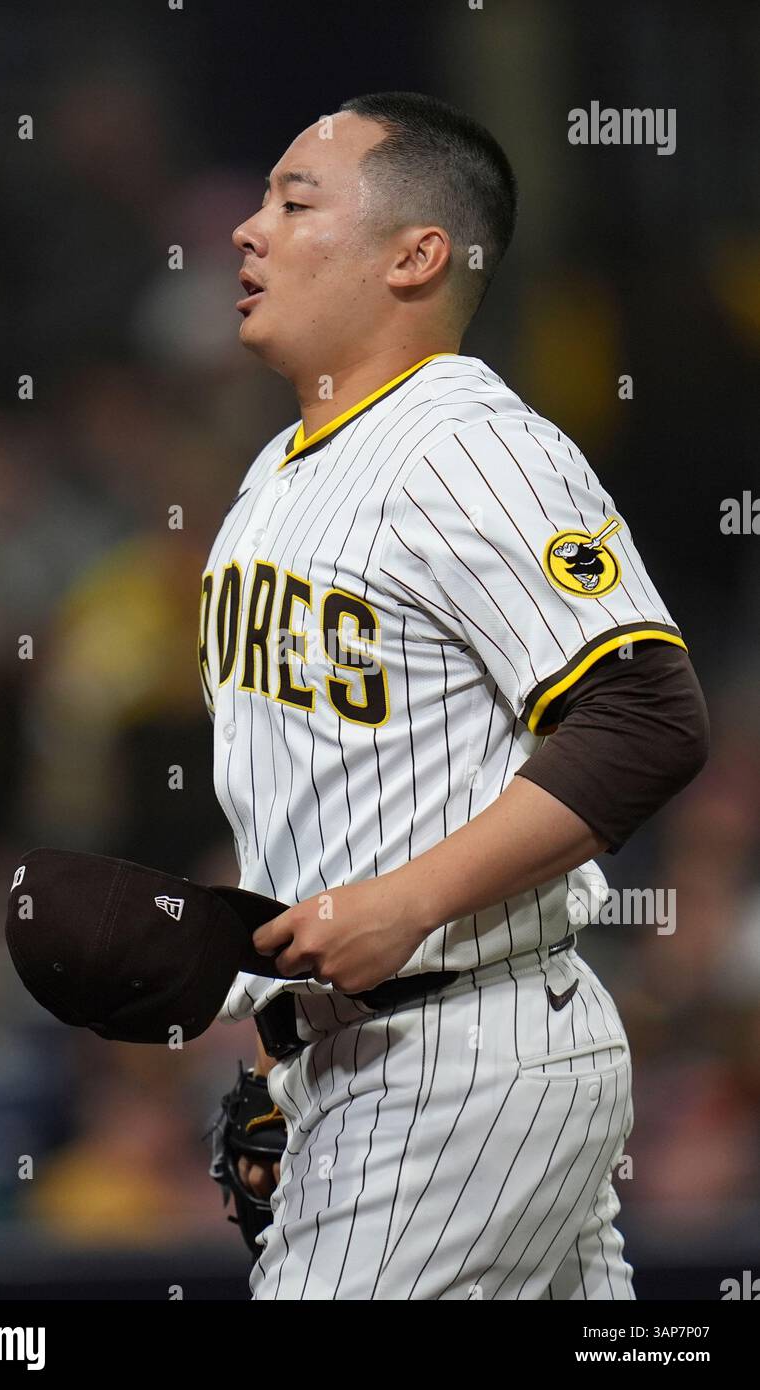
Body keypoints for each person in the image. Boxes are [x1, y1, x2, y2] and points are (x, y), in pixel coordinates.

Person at [197, 91, 709, 1299]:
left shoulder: (466, 444)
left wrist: (408, 902)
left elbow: (646, 715)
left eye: (293, 199)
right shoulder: (281, 466)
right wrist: (281, 1046)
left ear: (416, 254)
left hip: (456, 1048)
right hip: (383, 1047)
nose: (244, 229)